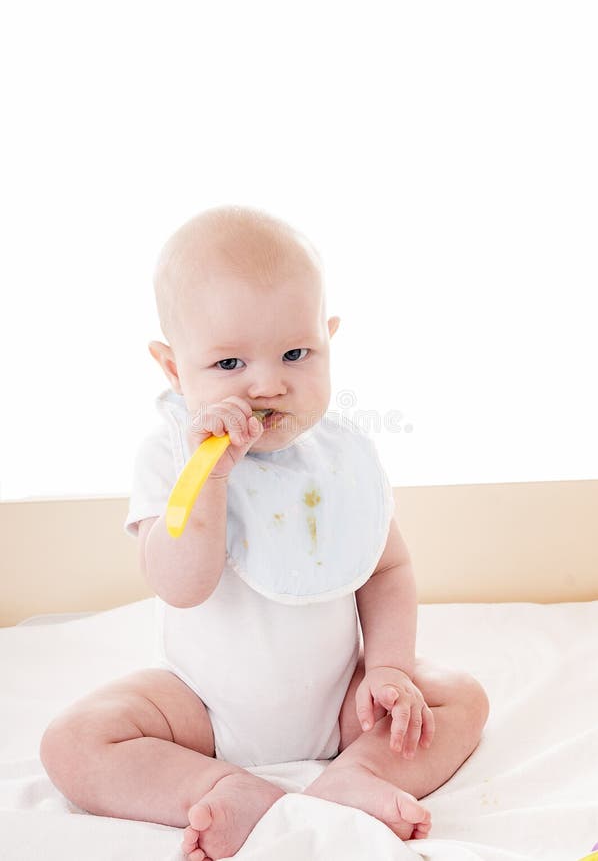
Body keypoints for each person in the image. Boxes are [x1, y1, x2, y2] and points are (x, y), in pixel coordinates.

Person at [40, 205, 489, 861]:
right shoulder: (172, 458)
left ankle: (355, 775)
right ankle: (226, 786)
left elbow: (386, 569)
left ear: (328, 339)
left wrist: (388, 670)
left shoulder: (337, 461)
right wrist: (212, 481)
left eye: (296, 352)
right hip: (202, 710)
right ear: (173, 368)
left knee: (458, 697)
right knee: (74, 742)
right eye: (228, 364)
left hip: (343, 703)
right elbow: (181, 586)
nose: (268, 383)